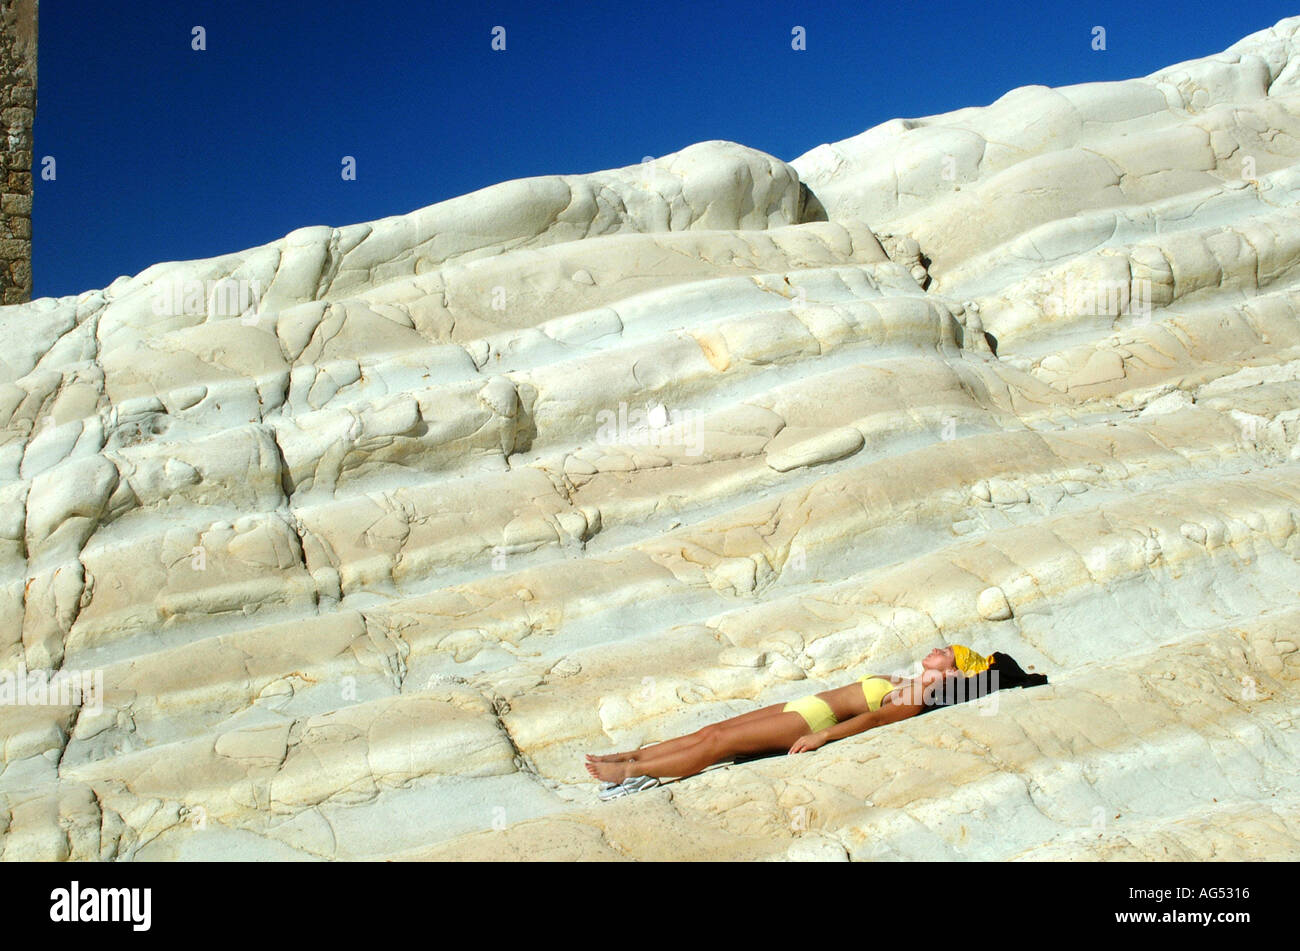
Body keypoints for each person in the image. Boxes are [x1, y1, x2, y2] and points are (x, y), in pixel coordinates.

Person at [586, 644, 1048, 798]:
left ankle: (631, 773)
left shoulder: (923, 693)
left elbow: (876, 721)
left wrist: (823, 735)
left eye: (946, 650)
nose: (936, 648)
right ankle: (633, 756)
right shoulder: (908, 678)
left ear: (951, 671)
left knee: (719, 744)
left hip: (813, 718)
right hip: (803, 703)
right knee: (712, 731)